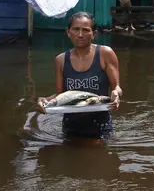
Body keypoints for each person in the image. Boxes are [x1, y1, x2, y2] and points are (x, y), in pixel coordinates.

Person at [36, 12, 122, 140]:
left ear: (94, 34)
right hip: (70, 126)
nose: (80, 35)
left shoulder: (105, 54)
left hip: (100, 125)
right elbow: (61, 95)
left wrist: (116, 94)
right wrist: (45, 101)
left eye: (86, 30)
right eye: (76, 29)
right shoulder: (60, 60)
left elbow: (116, 86)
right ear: (68, 32)